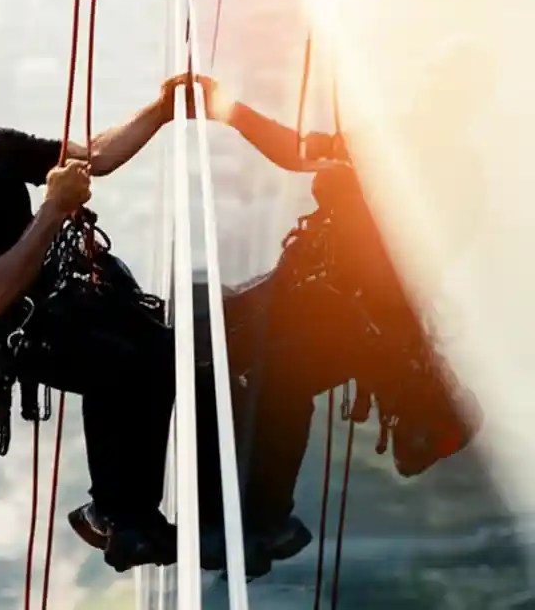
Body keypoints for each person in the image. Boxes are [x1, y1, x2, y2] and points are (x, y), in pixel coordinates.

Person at [0, 49, 192, 571]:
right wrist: (54, 208)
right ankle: (122, 518)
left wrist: (162, 110)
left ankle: (119, 514)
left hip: (58, 298)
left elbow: (93, 158)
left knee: (161, 352)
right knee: (120, 368)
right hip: (11, 334)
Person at [195, 75, 485, 576]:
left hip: (358, 311)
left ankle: (255, 519)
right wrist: (228, 109)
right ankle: (253, 520)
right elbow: (298, 151)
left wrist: (351, 195)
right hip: (325, 294)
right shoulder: (386, 140)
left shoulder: (452, 176)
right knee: (232, 351)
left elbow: (410, 252)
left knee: (272, 375)